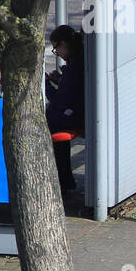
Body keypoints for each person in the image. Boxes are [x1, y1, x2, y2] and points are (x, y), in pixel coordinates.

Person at [44, 25, 84, 196]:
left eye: (56, 48)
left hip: (78, 116)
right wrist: (60, 81)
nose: (57, 53)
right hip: (82, 110)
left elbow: (59, 101)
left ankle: (61, 180)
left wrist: (43, 85)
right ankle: (65, 179)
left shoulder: (73, 68)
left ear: (63, 44)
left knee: (49, 124)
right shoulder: (80, 60)